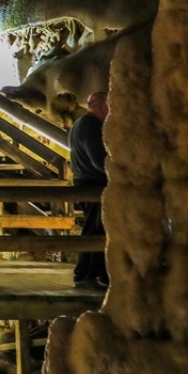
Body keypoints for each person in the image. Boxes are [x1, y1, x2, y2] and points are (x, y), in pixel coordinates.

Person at [70, 91, 110, 289]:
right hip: (92, 183)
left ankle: (96, 273)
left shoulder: (80, 123)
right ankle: (85, 274)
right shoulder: (91, 126)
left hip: (85, 181)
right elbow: (98, 160)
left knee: (97, 228)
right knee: (94, 230)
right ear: (102, 107)